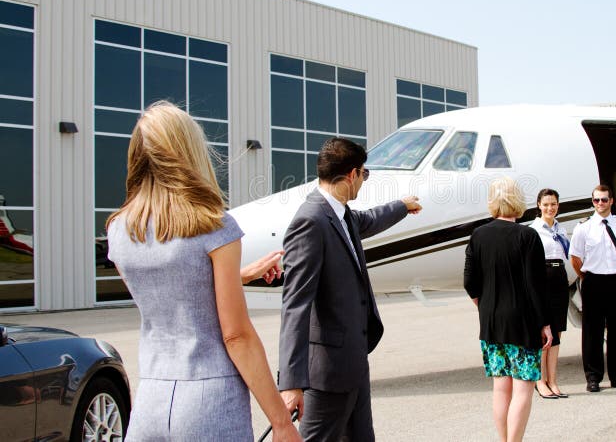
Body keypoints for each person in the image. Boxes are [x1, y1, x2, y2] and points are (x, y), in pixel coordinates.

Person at [106, 101, 300, 442]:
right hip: (209, 401)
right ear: (190, 151)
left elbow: (167, 292)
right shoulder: (214, 225)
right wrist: (281, 422)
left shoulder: (119, 230)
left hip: (150, 400)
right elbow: (236, 336)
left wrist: (241, 275)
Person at [278, 137, 422, 441]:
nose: (363, 182)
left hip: (354, 362)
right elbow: (295, 305)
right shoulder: (311, 221)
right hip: (327, 373)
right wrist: (291, 382)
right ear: (352, 175)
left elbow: (369, 219)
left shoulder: (341, 214)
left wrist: (402, 206)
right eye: (364, 174)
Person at [464, 177, 553, 442]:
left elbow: (470, 282)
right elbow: (536, 285)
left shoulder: (478, 235)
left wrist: (485, 305)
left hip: (491, 322)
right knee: (523, 389)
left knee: (500, 388)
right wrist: (545, 323)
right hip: (522, 322)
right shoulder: (528, 236)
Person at [569, 184, 616, 393]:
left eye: (604, 200)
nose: (600, 204)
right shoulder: (584, 228)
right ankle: (593, 377)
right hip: (593, 281)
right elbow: (575, 258)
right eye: (596, 200)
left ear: (611, 201)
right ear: (592, 202)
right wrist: (585, 276)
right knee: (592, 332)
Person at [530, 188, 570, 399]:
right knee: (542, 333)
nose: (550, 208)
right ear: (539, 205)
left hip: (559, 276)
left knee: (557, 331)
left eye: (553, 204)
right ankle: (540, 380)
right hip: (541, 277)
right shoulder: (533, 230)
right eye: (546, 204)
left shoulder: (560, 230)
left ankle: (553, 379)